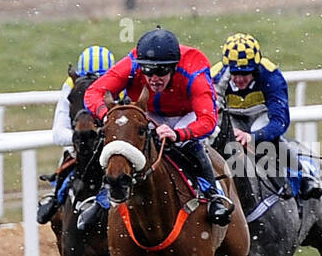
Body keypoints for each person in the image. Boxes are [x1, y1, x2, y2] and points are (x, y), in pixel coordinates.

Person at [77, 26, 234, 230]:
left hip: (186, 114)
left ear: (174, 66)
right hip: (147, 112)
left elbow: (207, 119)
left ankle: (213, 196)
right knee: (116, 142)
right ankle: (101, 201)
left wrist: (179, 134)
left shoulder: (194, 67)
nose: (153, 78)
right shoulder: (133, 63)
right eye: (148, 70)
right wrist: (107, 115)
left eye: (161, 71)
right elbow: (94, 92)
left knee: (190, 146)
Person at [211, 32, 322, 201]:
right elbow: (208, 113)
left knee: (265, 138)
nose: (240, 79)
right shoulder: (215, 77)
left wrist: (254, 136)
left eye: (246, 73)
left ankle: (304, 174)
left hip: (260, 114)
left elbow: (280, 121)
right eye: (235, 73)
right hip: (231, 115)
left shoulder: (271, 75)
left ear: (256, 68)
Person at [36, 45, 114, 224]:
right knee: (69, 159)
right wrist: (83, 138)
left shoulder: (122, 85)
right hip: (80, 148)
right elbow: (58, 133)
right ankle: (57, 199)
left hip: (112, 144)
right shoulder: (70, 86)